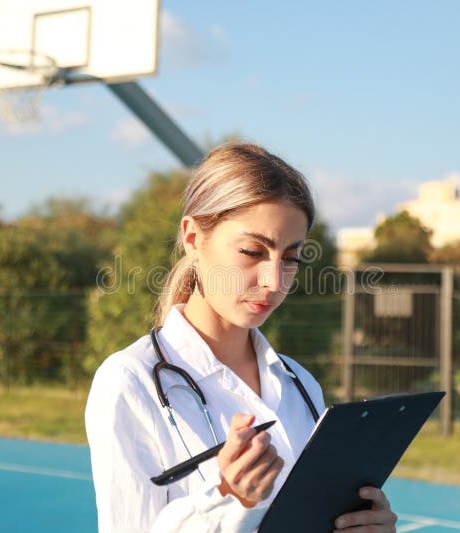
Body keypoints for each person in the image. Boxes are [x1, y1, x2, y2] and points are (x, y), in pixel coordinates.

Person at [85, 143, 397, 532]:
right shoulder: (129, 381)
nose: (273, 280)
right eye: (252, 251)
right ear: (193, 237)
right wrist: (230, 498)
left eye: (291, 258)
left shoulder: (300, 385)